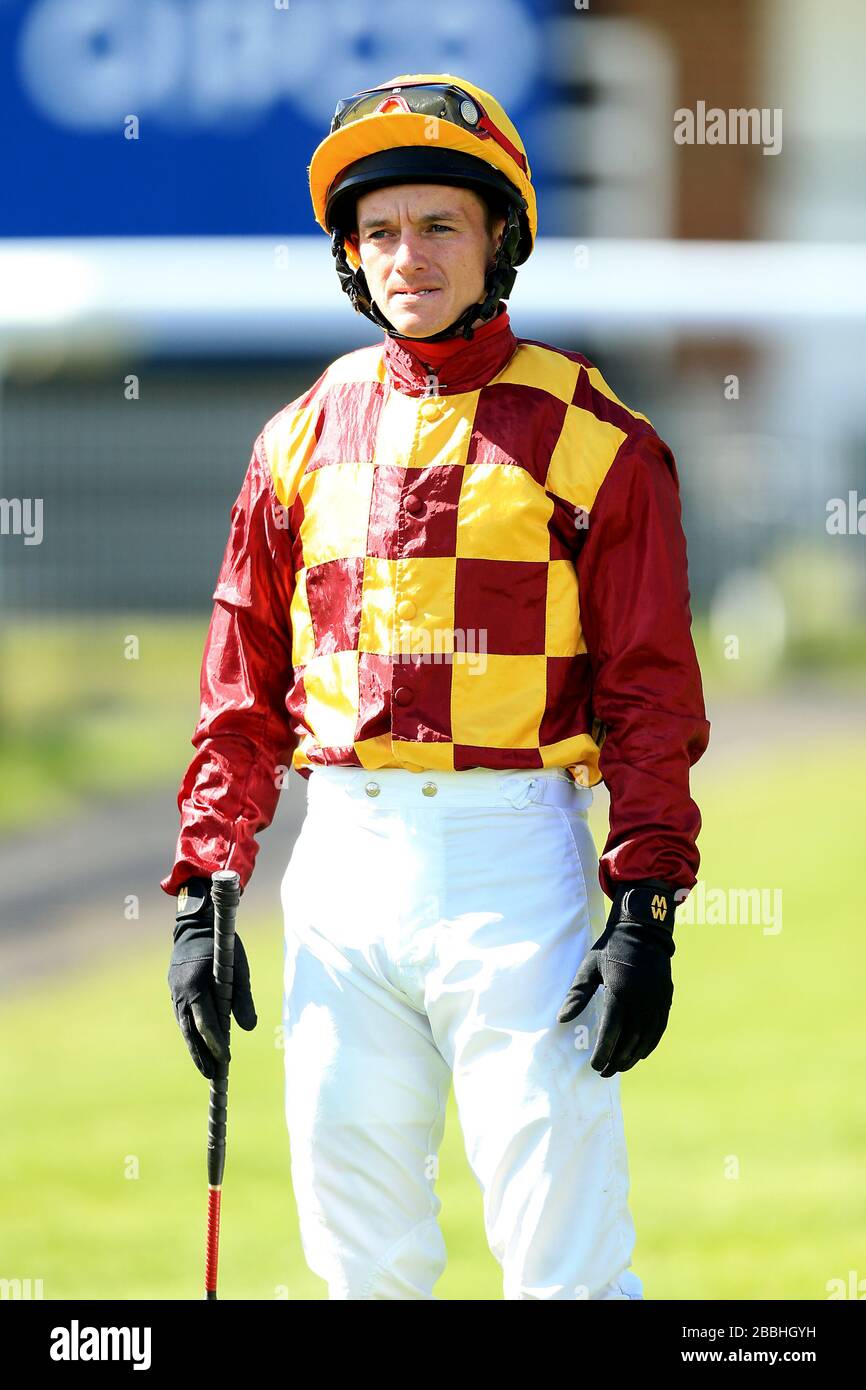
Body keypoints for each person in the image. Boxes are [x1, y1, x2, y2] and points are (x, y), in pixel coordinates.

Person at [163, 73, 710, 1301]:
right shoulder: (297, 434)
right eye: (379, 230)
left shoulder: (598, 437)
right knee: (359, 1259)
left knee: (561, 1252)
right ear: (351, 258)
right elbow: (241, 681)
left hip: (515, 866)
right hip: (341, 870)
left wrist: (647, 905)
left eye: (438, 225)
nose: (405, 255)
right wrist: (208, 887)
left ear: (499, 238)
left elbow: (648, 694)